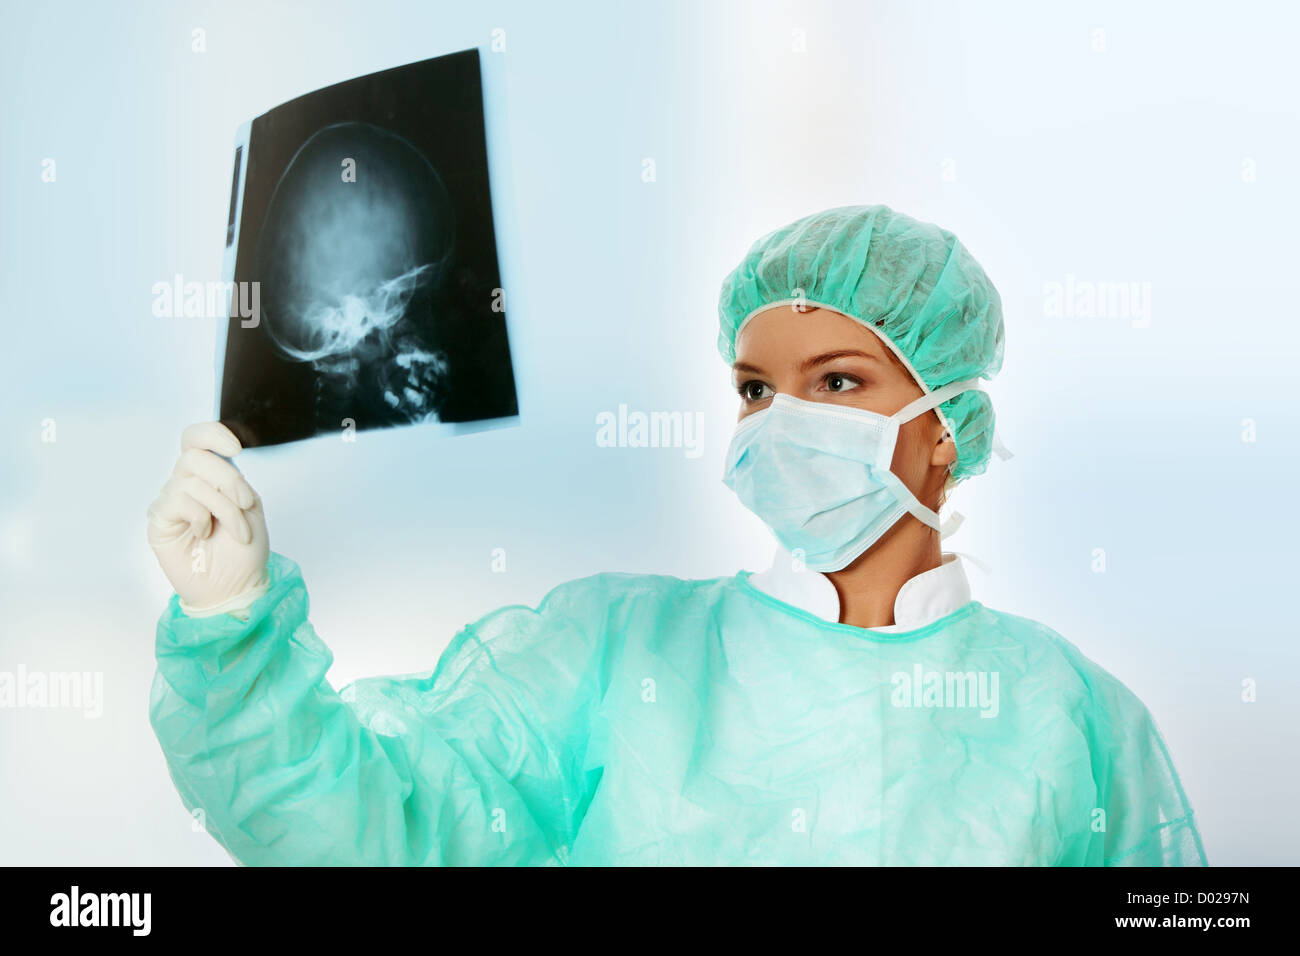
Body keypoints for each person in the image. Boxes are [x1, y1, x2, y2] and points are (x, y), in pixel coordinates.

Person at [146, 205, 1208, 866]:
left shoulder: (1070, 717)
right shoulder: (619, 659)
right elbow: (377, 822)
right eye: (755, 387)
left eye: (836, 381)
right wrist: (231, 624)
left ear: (947, 426)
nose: (780, 419)